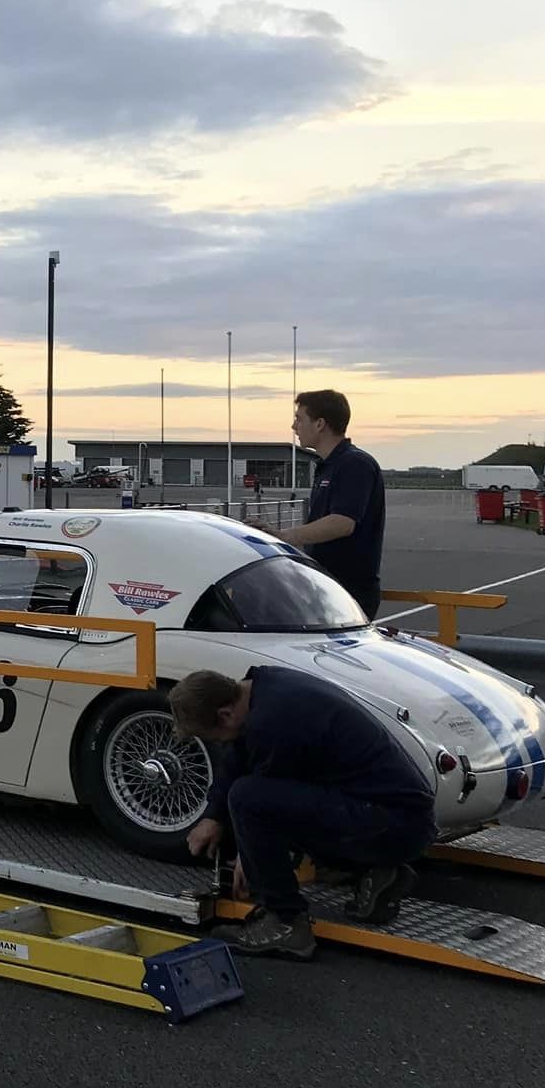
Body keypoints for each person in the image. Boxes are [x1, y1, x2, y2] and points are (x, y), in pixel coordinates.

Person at [173, 666, 437, 960]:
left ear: (224, 714)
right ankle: (376, 872)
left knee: (248, 799)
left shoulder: (274, 724)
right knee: (251, 798)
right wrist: (214, 815)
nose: (218, 744)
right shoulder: (264, 688)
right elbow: (239, 758)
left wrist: (250, 858)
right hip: (392, 815)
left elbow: (261, 805)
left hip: (392, 824)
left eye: (213, 737)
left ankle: (285, 923)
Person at [284, 389, 386, 618]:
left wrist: (286, 537)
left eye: (299, 419)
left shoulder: (354, 464)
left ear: (320, 424)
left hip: (347, 592)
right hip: (325, 587)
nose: (294, 427)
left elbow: (342, 522)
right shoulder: (328, 466)